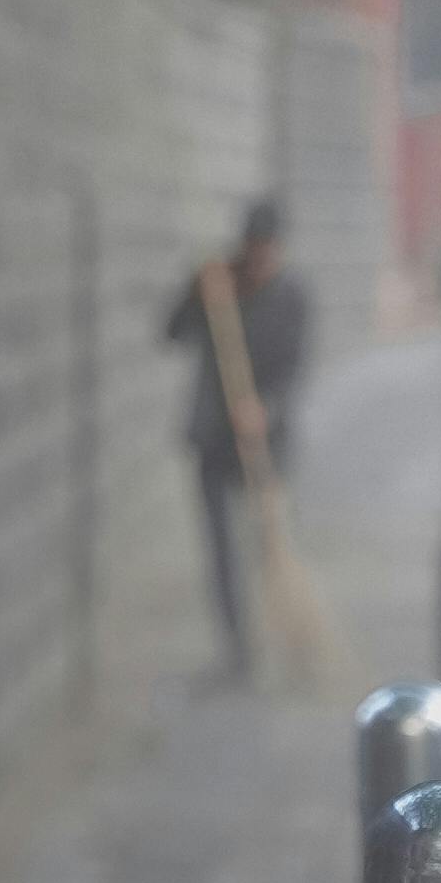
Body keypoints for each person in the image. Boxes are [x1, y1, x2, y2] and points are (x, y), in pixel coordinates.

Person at [164, 197, 309, 675]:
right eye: (255, 250)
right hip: (214, 439)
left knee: (267, 538)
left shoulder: (292, 298)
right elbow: (170, 333)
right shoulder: (220, 283)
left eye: (269, 252)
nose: (261, 261)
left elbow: (295, 368)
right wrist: (196, 292)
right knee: (221, 546)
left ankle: (284, 634)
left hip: (265, 443)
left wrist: (265, 408)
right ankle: (237, 649)